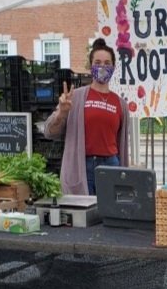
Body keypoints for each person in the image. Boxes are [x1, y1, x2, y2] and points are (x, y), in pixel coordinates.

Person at [44, 38, 130, 195]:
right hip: (83, 166)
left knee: (110, 214)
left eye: (107, 63)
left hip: (111, 165)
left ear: (113, 67)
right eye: (97, 62)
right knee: (84, 216)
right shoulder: (75, 97)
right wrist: (62, 113)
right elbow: (49, 132)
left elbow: (121, 144)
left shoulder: (121, 104)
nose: (102, 66)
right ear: (91, 66)